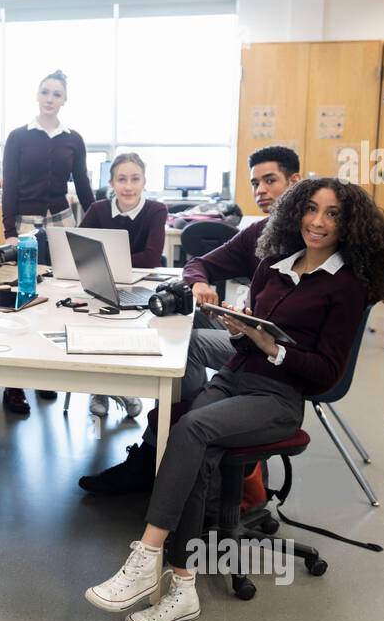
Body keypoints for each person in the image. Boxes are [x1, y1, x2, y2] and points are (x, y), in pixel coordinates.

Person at [84, 177, 384, 621]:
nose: (318, 222)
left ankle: (145, 558)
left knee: (193, 429)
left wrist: (270, 346)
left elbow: (326, 374)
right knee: (193, 443)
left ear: (350, 223)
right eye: (311, 209)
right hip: (238, 375)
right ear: (296, 210)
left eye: (333, 213)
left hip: (278, 397)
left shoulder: (348, 287)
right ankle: (182, 589)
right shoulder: (274, 263)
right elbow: (244, 339)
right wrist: (238, 327)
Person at [79, 145, 301, 494]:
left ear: (295, 182)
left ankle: (170, 445)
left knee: (188, 346)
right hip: (249, 332)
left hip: (280, 350)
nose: (261, 191)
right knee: (185, 314)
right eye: (255, 183)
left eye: (270, 180)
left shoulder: (313, 240)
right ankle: (181, 442)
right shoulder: (260, 232)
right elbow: (198, 262)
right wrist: (199, 281)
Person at [0, 69, 94, 415]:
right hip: (24, 222)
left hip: (61, 220)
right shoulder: (19, 137)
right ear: (37, 96)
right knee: (22, 299)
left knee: (57, 297)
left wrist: (97, 221)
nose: (50, 99)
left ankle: (45, 373)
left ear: (64, 100)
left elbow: (82, 184)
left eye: (57, 94)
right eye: (45, 92)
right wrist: (9, 229)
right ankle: (13, 386)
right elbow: (9, 185)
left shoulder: (73, 139)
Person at [76, 152, 168, 419]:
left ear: (144, 181)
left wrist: (107, 262)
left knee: (129, 332)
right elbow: (80, 249)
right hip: (100, 283)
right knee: (94, 327)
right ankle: (99, 389)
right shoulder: (98, 210)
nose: (128, 186)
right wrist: (108, 266)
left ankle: (126, 388)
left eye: (135, 179)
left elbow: (151, 258)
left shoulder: (155, 210)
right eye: (122, 179)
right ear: (112, 183)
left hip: (140, 285)